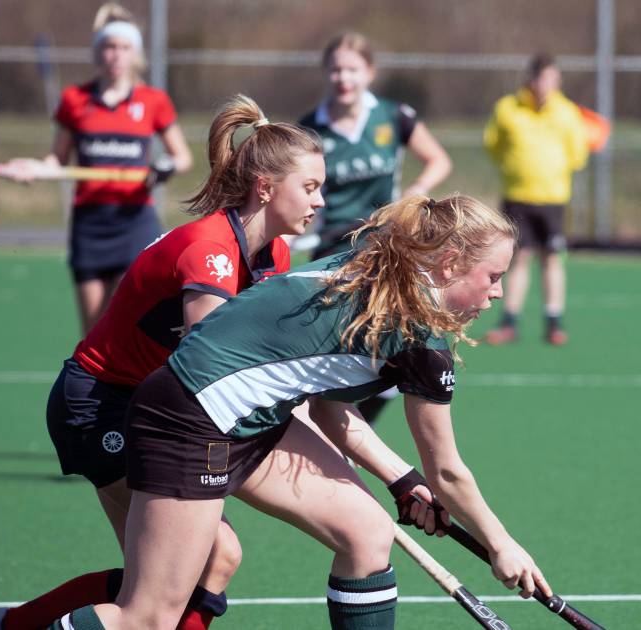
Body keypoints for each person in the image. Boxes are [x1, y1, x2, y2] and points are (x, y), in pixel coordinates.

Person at [51, 194, 554, 630]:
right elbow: (446, 471)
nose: (498, 292)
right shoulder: (420, 340)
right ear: (449, 263)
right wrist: (501, 545)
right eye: (493, 276)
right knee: (147, 617)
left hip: (253, 420)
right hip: (191, 417)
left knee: (366, 533)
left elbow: (330, 410)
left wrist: (401, 480)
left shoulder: (377, 262)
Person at [0, 95, 320, 630]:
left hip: (153, 406)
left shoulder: (275, 254)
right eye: (310, 187)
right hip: (100, 405)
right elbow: (213, 370)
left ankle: (7, 626)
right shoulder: (210, 251)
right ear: (265, 188)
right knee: (208, 557)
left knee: (160, 580)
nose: (320, 200)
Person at [9, 2, 193, 334]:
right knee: (94, 333)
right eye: (109, 47)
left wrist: (166, 166)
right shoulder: (75, 100)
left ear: (135, 53)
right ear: (98, 52)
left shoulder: (153, 101)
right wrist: (34, 169)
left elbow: (182, 157)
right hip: (90, 225)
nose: (116, 55)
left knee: (128, 324)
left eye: (124, 47)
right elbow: (57, 160)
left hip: (135, 222)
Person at [298, 31, 452, 423]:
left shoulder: (392, 115)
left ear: (369, 72)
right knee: (331, 344)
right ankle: (322, 424)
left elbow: (438, 159)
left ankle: (354, 426)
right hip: (334, 247)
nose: (343, 78)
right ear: (326, 72)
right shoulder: (311, 128)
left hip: (386, 243)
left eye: (352, 69)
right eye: (336, 70)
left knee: (395, 337)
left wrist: (416, 192)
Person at [481, 53, 589, 347]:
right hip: (517, 197)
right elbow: (493, 145)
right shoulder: (507, 108)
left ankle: (554, 322)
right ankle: (509, 322)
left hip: (553, 199)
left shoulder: (567, 112)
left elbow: (577, 155)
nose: (547, 85)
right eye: (542, 79)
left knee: (552, 258)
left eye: (553, 79)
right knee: (518, 258)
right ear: (531, 79)